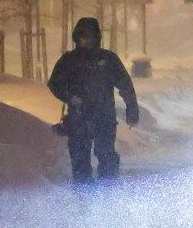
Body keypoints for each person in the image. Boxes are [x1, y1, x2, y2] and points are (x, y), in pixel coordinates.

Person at [48, 17, 139, 185]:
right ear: (77, 37)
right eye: (83, 36)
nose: (87, 40)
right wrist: (69, 97)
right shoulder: (69, 60)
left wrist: (132, 110)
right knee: (81, 163)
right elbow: (54, 84)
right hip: (79, 118)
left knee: (106, 157)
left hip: (103, 118)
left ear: (97, 37)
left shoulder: (108, 59)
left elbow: (125, 85)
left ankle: (107, 195)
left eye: (90, 36)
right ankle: (85, 202)